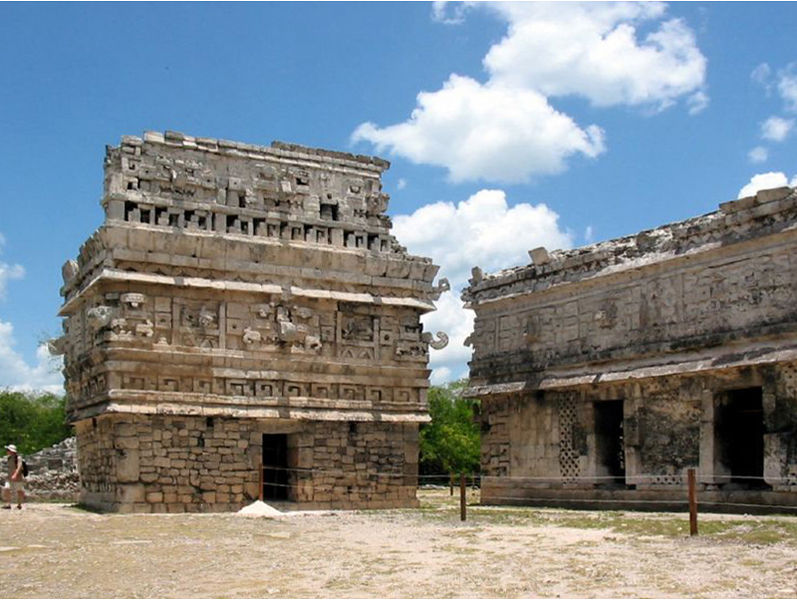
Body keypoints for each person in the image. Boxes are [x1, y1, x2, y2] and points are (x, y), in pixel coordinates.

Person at [2, 444, 25, 509]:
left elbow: (19, 467)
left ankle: (19, 504)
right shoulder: (9, 458)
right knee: (6, 489)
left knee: (19, 491)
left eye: (8, 450)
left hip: (18, 477)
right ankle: (8, 504)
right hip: (9, 477)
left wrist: (15, 474)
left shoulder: (18, 458)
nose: (7, 451)